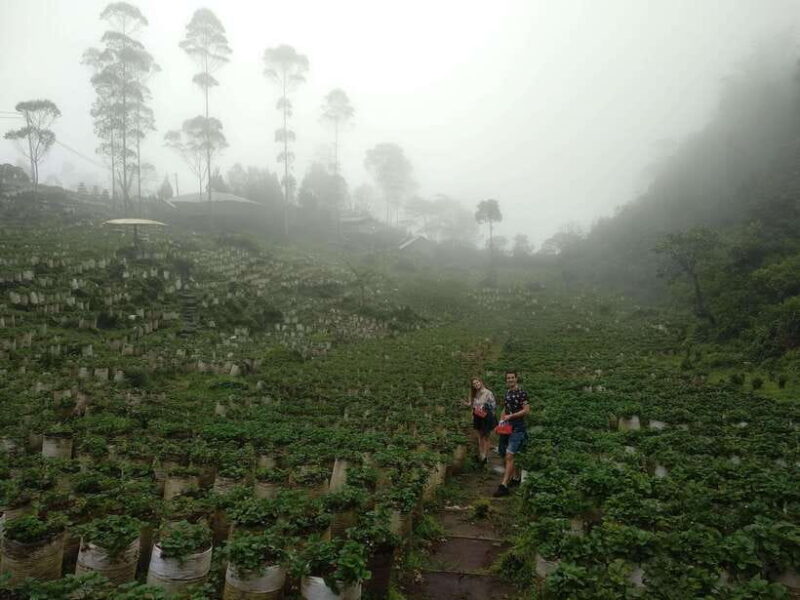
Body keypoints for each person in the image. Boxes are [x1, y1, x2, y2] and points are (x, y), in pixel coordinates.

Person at [493, 370, 530, 497]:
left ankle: (504, 485)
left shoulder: (522, 393)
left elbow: (526, 410)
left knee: (510, 454)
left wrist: (512, 416)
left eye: (512, 377)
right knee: (504, 453)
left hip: (518, 427)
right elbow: (505, 409)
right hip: (507, 426)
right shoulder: (507, 393)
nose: (510, 380)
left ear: (516, 378)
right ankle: (515, 477)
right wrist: (501, 422)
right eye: (508, 378)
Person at [462, 377, 497, 464]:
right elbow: (472, 404)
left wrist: (490, 415)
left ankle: (485, 456)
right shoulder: (474, 393)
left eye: (477, 382)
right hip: (477, 416)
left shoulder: (488, 393)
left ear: (481, 382)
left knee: (486, 436)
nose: (476, 385)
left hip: (486, 416)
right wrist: (467, 404)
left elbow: (493, 406)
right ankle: (481, 454)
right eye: (474, 384)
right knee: (480, 436)